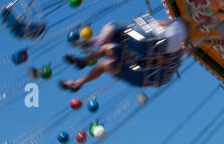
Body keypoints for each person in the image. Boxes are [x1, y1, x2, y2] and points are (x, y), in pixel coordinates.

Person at [59, 17, 187, 92]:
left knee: (105, 62)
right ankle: (84, 62)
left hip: (144, 70)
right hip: (143, 57)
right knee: (107, 49)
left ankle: (81, 73)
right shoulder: (175, 47)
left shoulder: (173, 48)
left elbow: (162, 60)